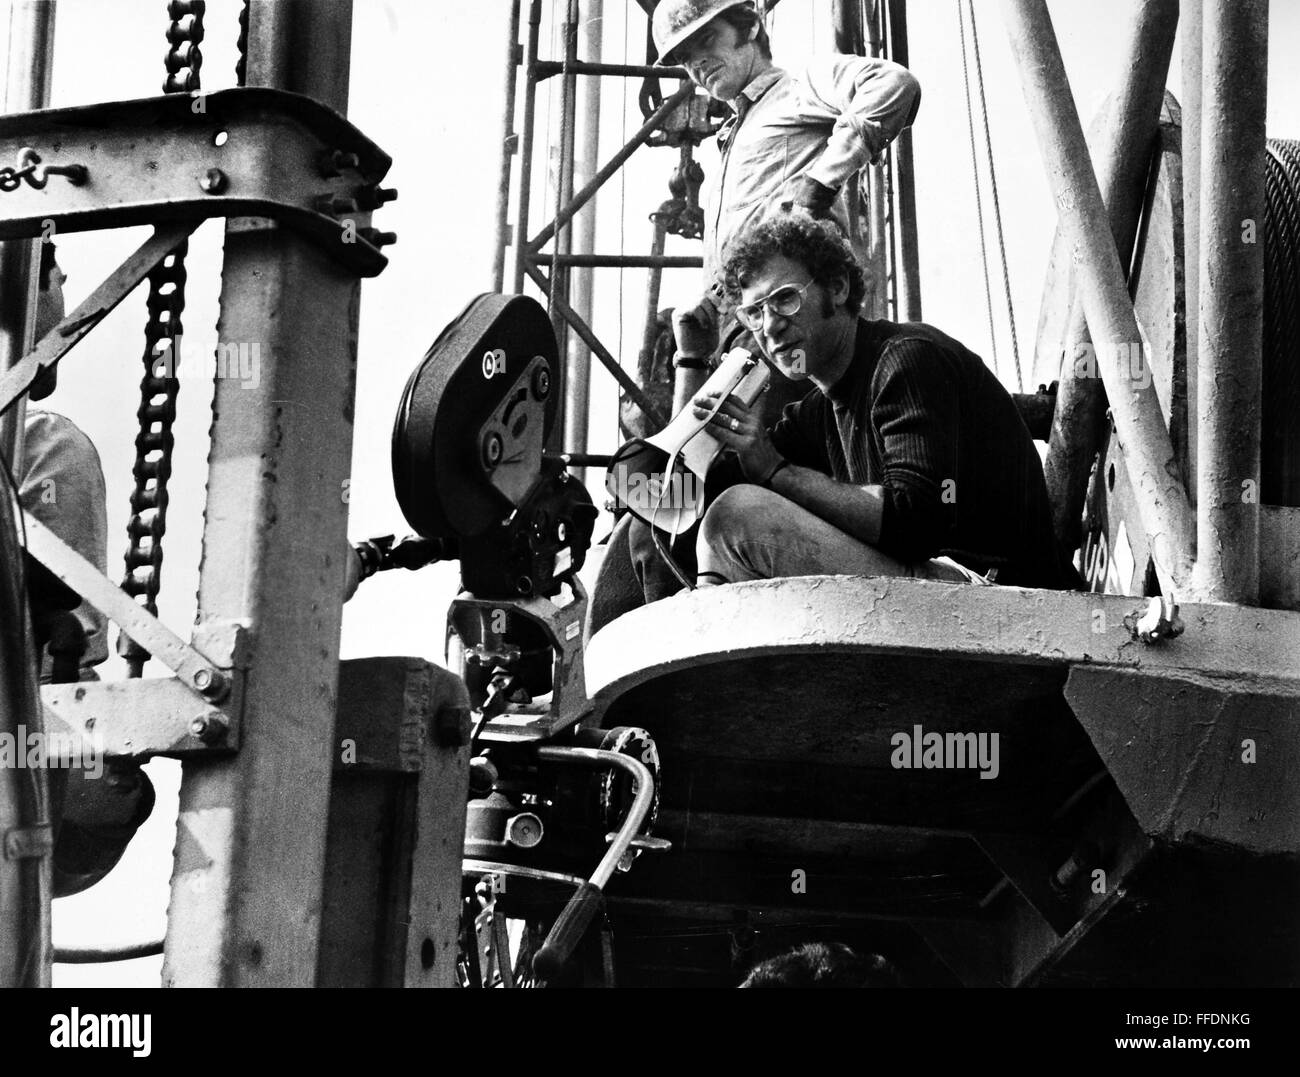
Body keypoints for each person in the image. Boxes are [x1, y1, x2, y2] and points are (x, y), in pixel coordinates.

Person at [686, 214, 1079, 590]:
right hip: (940, 598)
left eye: (785, 299)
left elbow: (916, 521)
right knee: (696, 525)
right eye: (754, 313)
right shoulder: (818, 412)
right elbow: (680, 501)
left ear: (837, 288)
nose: (770, 326)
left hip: (1004, 594)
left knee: (737, 517)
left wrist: (777, 472)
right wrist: (691, 364)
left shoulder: (907, 359)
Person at [652, 0, 921, 413]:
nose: (697, 63)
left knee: (774, 442)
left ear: (750, 27)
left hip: (789, 317)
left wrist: (820, 184)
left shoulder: (797, 87)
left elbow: (893, 83)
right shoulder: (733, 136)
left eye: (706, 40)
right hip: (741, 329)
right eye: (685, 57)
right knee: (720, 449)